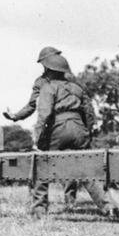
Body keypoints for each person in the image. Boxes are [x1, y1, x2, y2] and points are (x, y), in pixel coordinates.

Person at [30, 53, 94, 217]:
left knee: (42, 165)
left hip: (59, 128)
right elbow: (89, 114)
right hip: (80, 128)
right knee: (86, 170)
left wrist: (37, 140)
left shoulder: (48, 87)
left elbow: (44, 115)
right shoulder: (77, 88)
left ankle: (39, 208)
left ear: (48, 70)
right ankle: (108, 206)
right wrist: (86, 133)